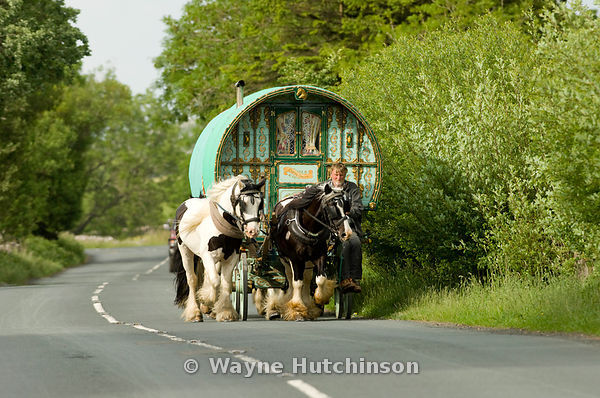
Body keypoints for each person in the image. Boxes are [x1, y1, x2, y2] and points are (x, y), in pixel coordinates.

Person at [325, 163, 363, 293]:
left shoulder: (352, 188)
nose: (338, 177)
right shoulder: (325, 187)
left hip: (347, 224)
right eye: (336, 174)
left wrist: (349, 212)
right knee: (345, 244)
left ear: (345, 175)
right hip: (328, 225)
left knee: (355, 242)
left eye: (341, 174)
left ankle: (354, 278)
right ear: (331, 174)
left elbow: (358, 207)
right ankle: (344, 278)